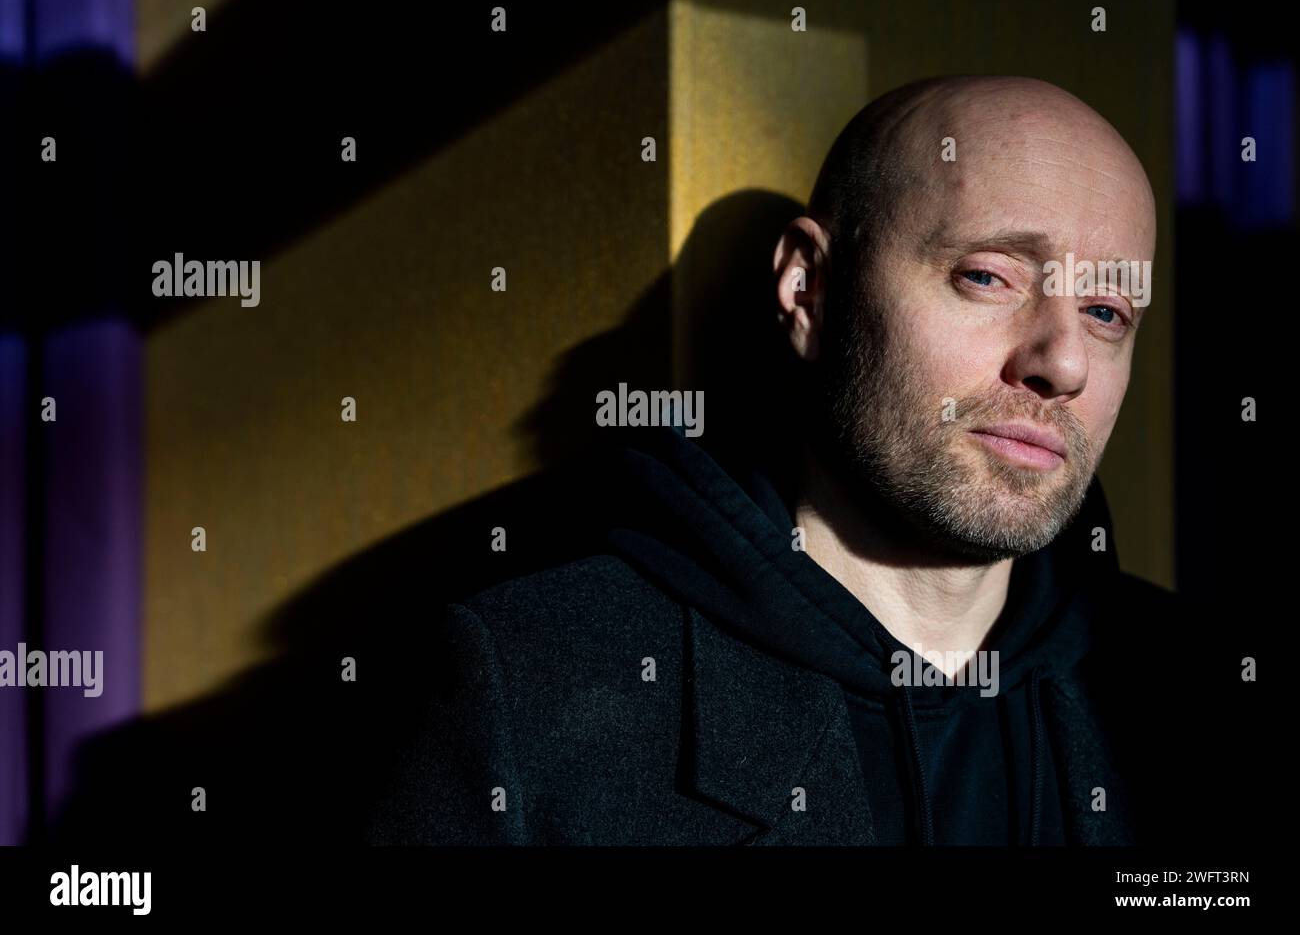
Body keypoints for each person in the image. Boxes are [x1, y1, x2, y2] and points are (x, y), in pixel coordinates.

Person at [367, 75, 1198, 846]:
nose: (1065, 362)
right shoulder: (528, 687)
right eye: (988, 276)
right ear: (809, 289)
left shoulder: (1192, 694)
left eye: (1105, 309)